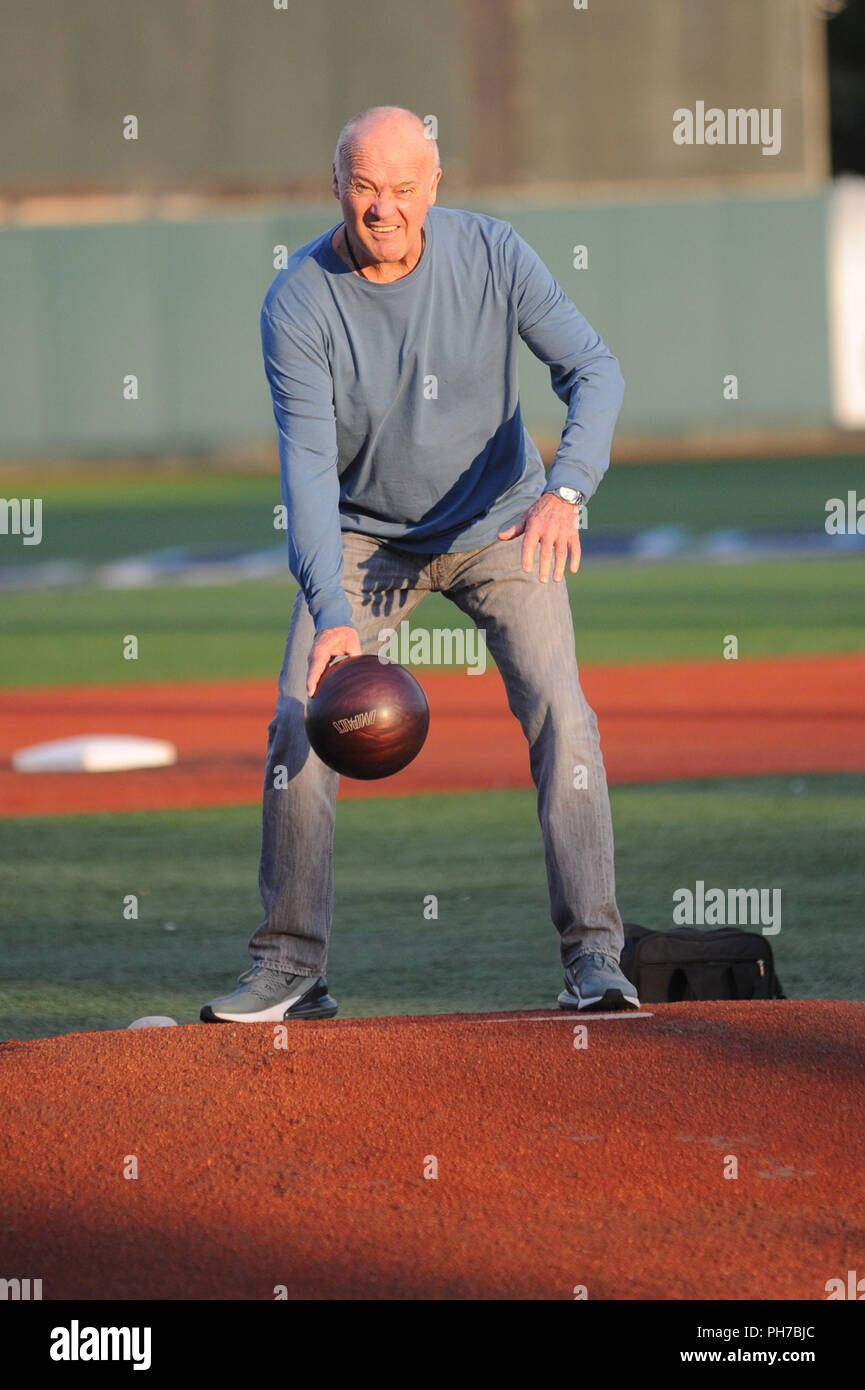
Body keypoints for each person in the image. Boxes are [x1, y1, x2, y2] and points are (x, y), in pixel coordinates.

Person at [201, 105, 639, 1024]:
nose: (383, 207)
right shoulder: (299, 300)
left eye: (403, 188)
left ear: (434, 188)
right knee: (297, 723)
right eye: (365, 186)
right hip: (366, 538)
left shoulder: (492, 253)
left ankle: (595, 958)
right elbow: (310, 477)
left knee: (564, 713)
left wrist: (567, 491)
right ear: (336, 186)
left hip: (502, 522)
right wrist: (331, 614)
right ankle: (290, 966)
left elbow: (594, 371)